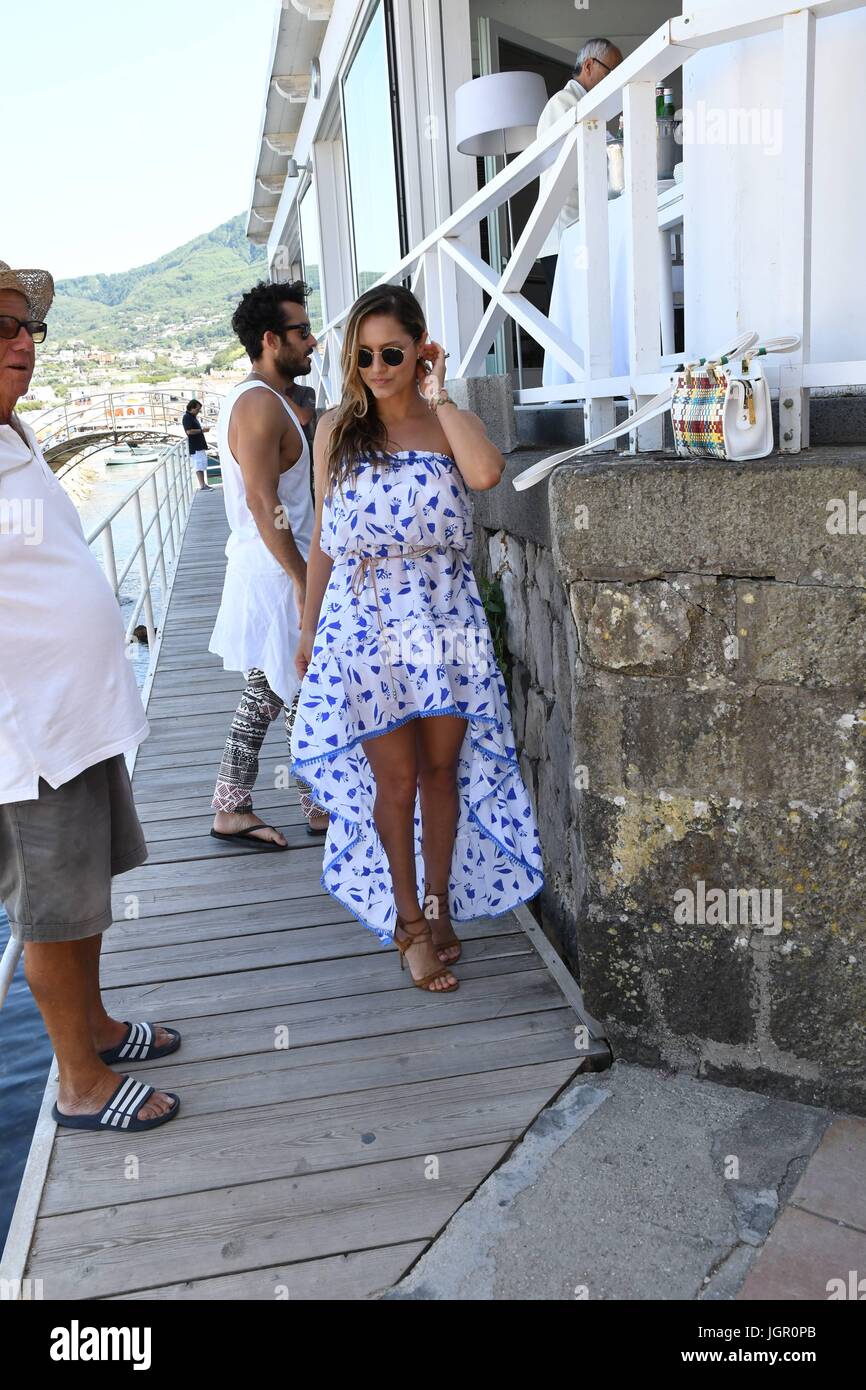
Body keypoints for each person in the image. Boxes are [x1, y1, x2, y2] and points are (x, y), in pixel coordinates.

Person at [290, 285, 545, 993]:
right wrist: (309, 631)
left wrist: (437, 393)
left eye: (393, 352)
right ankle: (407, 923)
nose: (377, 366)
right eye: (364, 354)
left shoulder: (443, 422)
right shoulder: (336, 428)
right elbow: (321, 542)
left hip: (445, 620)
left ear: (419, 349)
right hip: (364, 623)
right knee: (395, 782)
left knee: (442, 773)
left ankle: (439, 905)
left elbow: (488, 473)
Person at [0, 258, 180, 1132]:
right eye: (4, 329)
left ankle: (98, 1029)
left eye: (29, 328)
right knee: (50, 914)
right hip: (26, 737)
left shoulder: (16, 433)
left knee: (86, 894)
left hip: (80, 717)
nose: (25, 343)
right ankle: (79, 1081)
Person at [209, 280, 329, 846]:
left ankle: (265, 802)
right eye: (301, 331)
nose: (312, 341)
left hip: (275, 567)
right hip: (277, 570)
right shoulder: (258, 404)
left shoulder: (269, 400)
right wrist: (303, 578)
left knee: (276, 686)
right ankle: (315, 802)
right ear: (269, 339)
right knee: (296, 682)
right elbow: (263, 501)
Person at [537, 37, 623, 294]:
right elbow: (597, 157)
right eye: (611, 73)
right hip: (566, 237)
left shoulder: (584, 107)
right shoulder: (563, 104)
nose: (616, 81)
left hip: (581, 234)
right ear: (588, 66)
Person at [182, 398, 213, 490]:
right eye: (197, 409)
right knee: (199, 465)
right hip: (195, 446)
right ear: (192, 408)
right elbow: (189, 431)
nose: (198, 412)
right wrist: (202, 430)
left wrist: (201, 430)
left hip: (199, 445)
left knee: (201, 465)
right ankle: (202, 485)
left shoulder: (192, 417)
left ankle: (203, 484)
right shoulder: (187, 417)